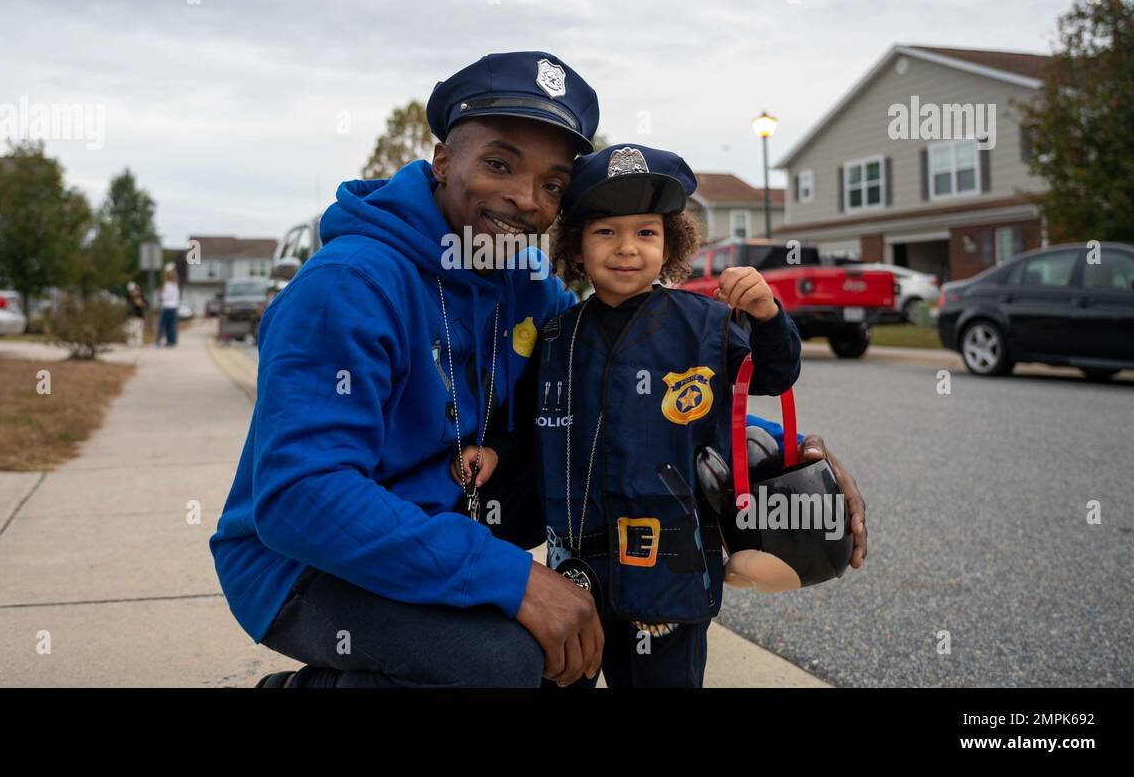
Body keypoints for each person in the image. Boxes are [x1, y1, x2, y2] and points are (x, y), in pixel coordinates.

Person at [209, 52, 867, 688]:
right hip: (302, 561)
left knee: (668, 481)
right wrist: (511, 577)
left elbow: (619, 390)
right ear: (443, 159)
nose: (526, 198)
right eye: (499, 163)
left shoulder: (520, 281)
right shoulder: (347, 285)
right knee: (501, 663)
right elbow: (300, 498)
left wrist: (780, 454)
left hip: (445, 516)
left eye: (553, 183)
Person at [470, 143, 803, 688]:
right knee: (560, 676)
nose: (627, 249)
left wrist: (767, 316)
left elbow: (772, 376)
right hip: (575, 572)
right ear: (575, 245)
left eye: (646, 233)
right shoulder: (557, 337)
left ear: (670, 243)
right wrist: (493, 454)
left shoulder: (706, 325)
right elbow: (532, 429)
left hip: (671, 571)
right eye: (606, 232)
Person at [156, 268, 180, 347]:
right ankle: (171, 341)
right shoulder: (175, 284)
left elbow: (165, 297)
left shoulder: (167, 285)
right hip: (174, 307)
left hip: (167, 307)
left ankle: (158, 341)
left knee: (162, 324)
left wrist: (161, 292)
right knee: (171, 325)